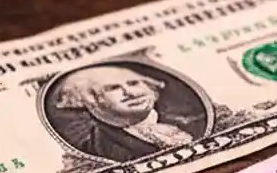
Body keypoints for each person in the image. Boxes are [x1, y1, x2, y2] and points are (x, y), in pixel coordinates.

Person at [53, 65, 201, 162]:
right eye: (113, 88)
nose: (130, 93)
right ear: (91, 102)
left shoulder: (195, 121)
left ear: (150, 87)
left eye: (134, 83)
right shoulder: (96, 150)